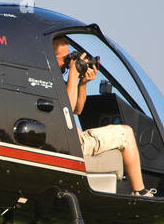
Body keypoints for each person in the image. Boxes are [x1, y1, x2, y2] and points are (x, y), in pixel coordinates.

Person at [53, 37, 156, 197]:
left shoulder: (52, 78)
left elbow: (78, 109)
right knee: (126, 133)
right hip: (71, 142)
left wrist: (82, 83)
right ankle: (140, 192)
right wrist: (73, 74)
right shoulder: (52, 79)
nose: (68, 62)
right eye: (64, 58)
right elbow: (68, 108)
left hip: (68, 138)